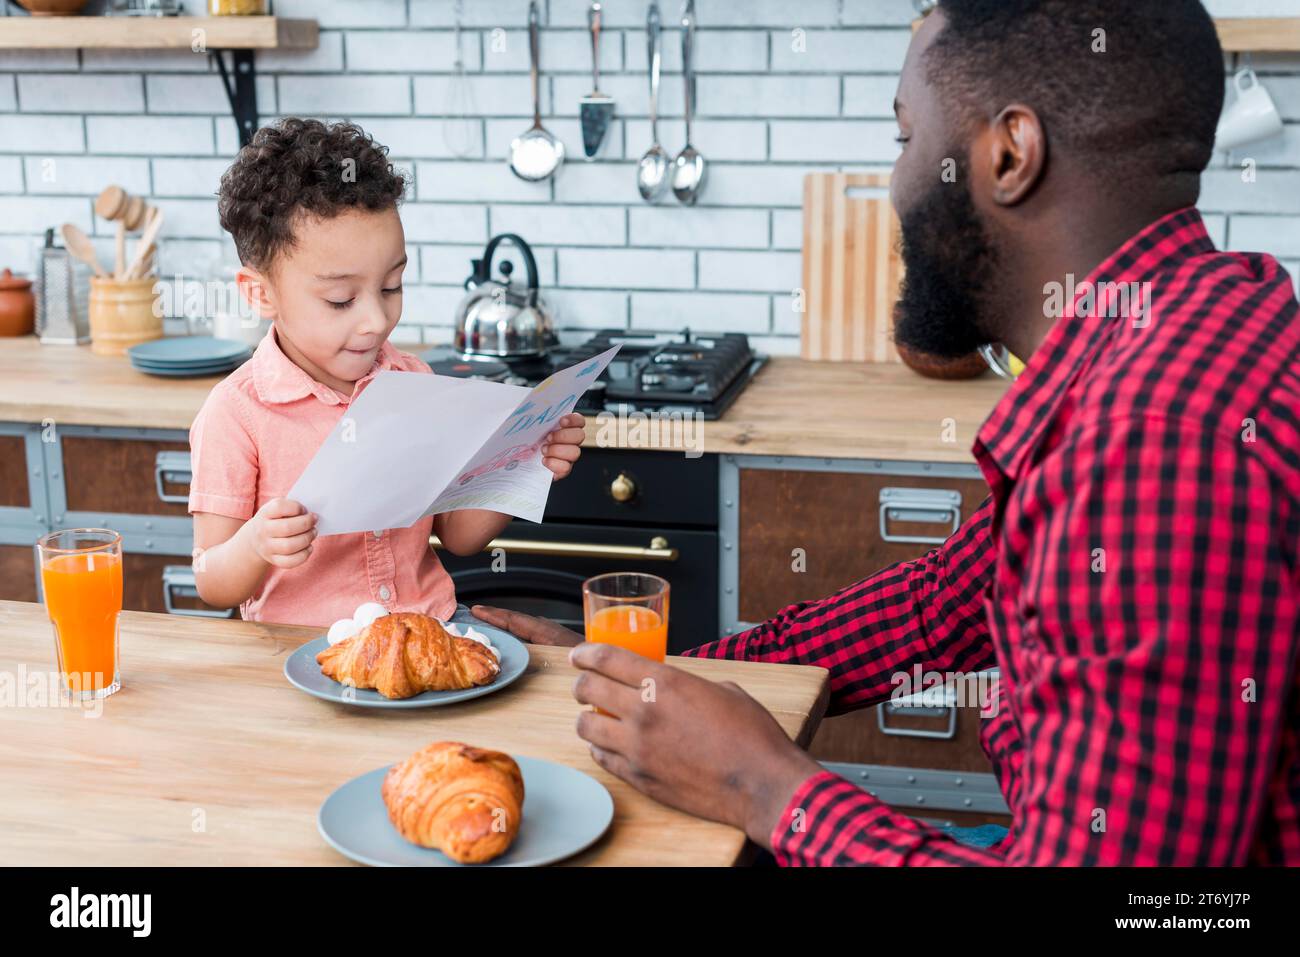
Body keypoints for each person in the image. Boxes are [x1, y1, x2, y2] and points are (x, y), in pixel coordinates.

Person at [472, 0, 1300, 865]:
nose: (897, 185)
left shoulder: (1156, 448)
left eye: (907, 140)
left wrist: (762, 783)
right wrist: (674, 678)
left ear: (1009, 154)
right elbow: (941, 604)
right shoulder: (1199, 321)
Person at [187, 118, 585, 627]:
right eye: (340, 299)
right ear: (260, 293)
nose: (376, 320)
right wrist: (255, 543)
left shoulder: (411, 378)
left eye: (392, 286)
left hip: (429, 629)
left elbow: (459, 535)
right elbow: (212, 581)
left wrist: (526, 462)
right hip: (299, 657)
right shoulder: (237, 412)